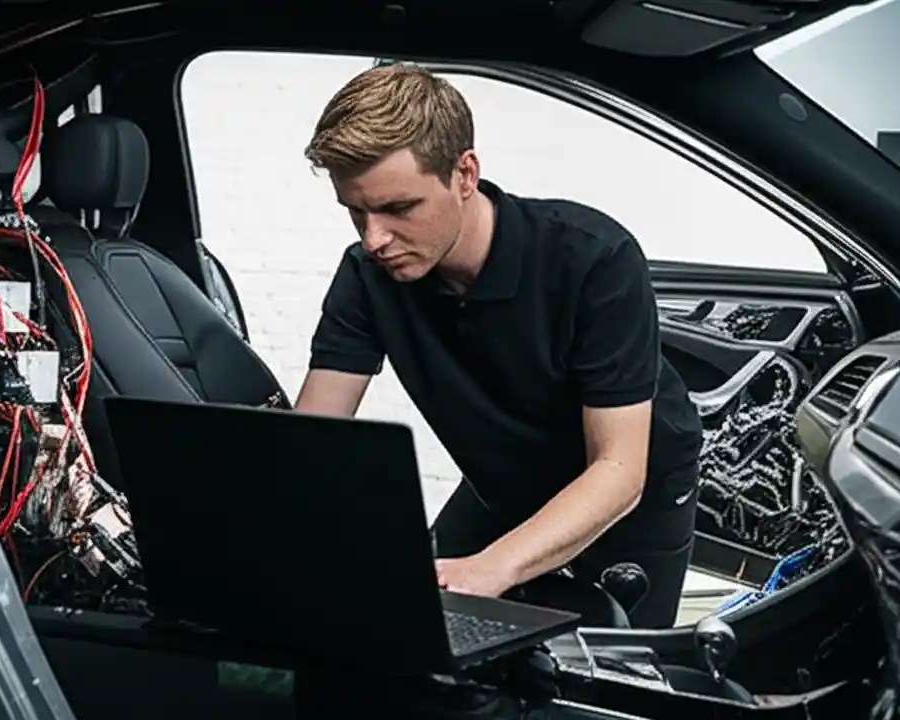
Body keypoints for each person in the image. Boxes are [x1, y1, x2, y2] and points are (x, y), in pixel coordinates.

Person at [293, 64, 703, 629]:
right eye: (355, 212)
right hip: (501, 483)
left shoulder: (593, 258)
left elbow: (618, 468)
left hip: (632, 496)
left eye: (399, 208)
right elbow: (311, 437)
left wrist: (490, 569)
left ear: (465, 173)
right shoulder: (367, 275)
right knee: (426, 630)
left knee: (612, 681)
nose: (374, 238)